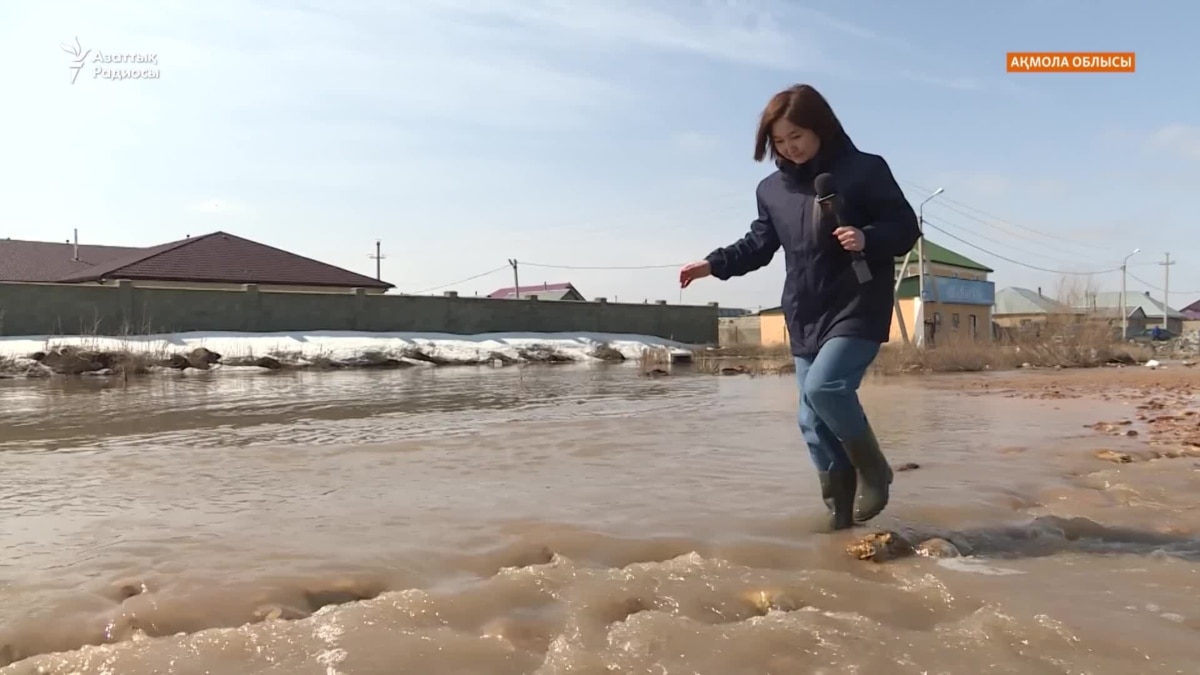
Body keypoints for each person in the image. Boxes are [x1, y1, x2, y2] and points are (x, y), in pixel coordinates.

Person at [679, 84, 921, 531]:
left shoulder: (865, 170)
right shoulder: (771, 190)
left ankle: (875, 472)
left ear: (822, 128)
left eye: (798, 137)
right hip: (806, 310)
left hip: (857, 302)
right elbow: (758, 244)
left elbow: (905, 228)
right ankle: (841, 515)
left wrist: (869, 237)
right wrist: (713, 264)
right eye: (780, 141)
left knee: (826, 388)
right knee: (810, 421)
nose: (790, 149)